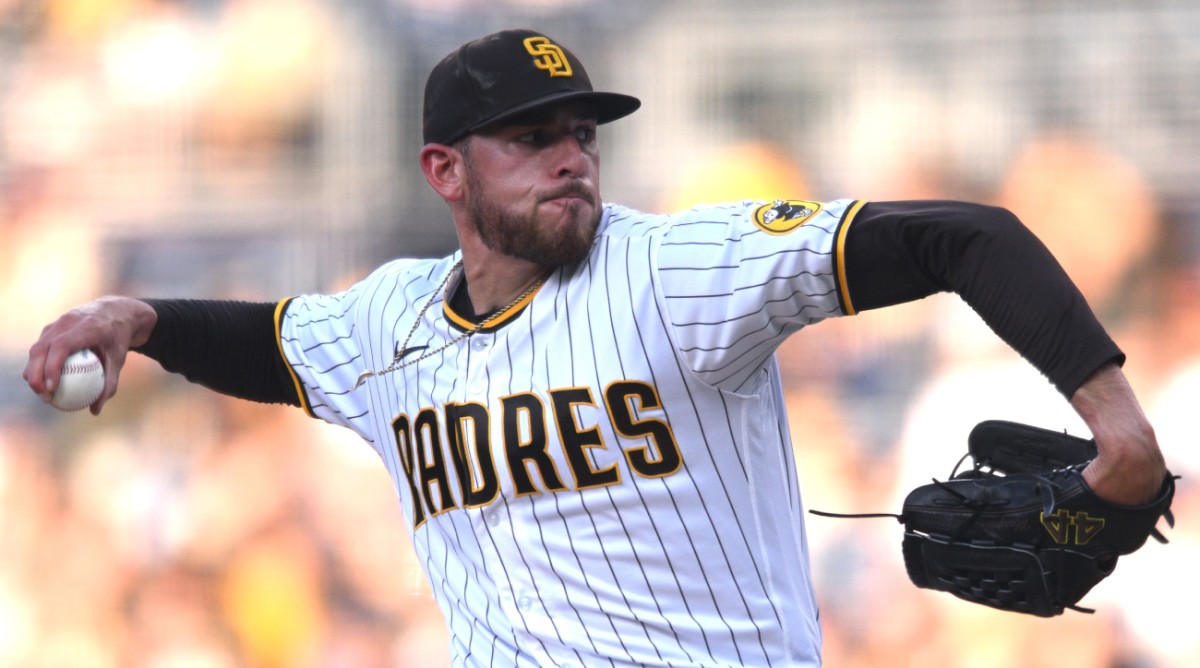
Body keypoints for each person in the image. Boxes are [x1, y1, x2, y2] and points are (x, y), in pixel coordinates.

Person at [25, 28, 1168, 667]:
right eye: (532, 139)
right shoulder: (385, 322)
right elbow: (268, 344)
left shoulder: (675, 269)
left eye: (581, 133)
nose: (573, 156)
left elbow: (970, 237)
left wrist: (1116, 428)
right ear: (446, 172)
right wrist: (139, 321)